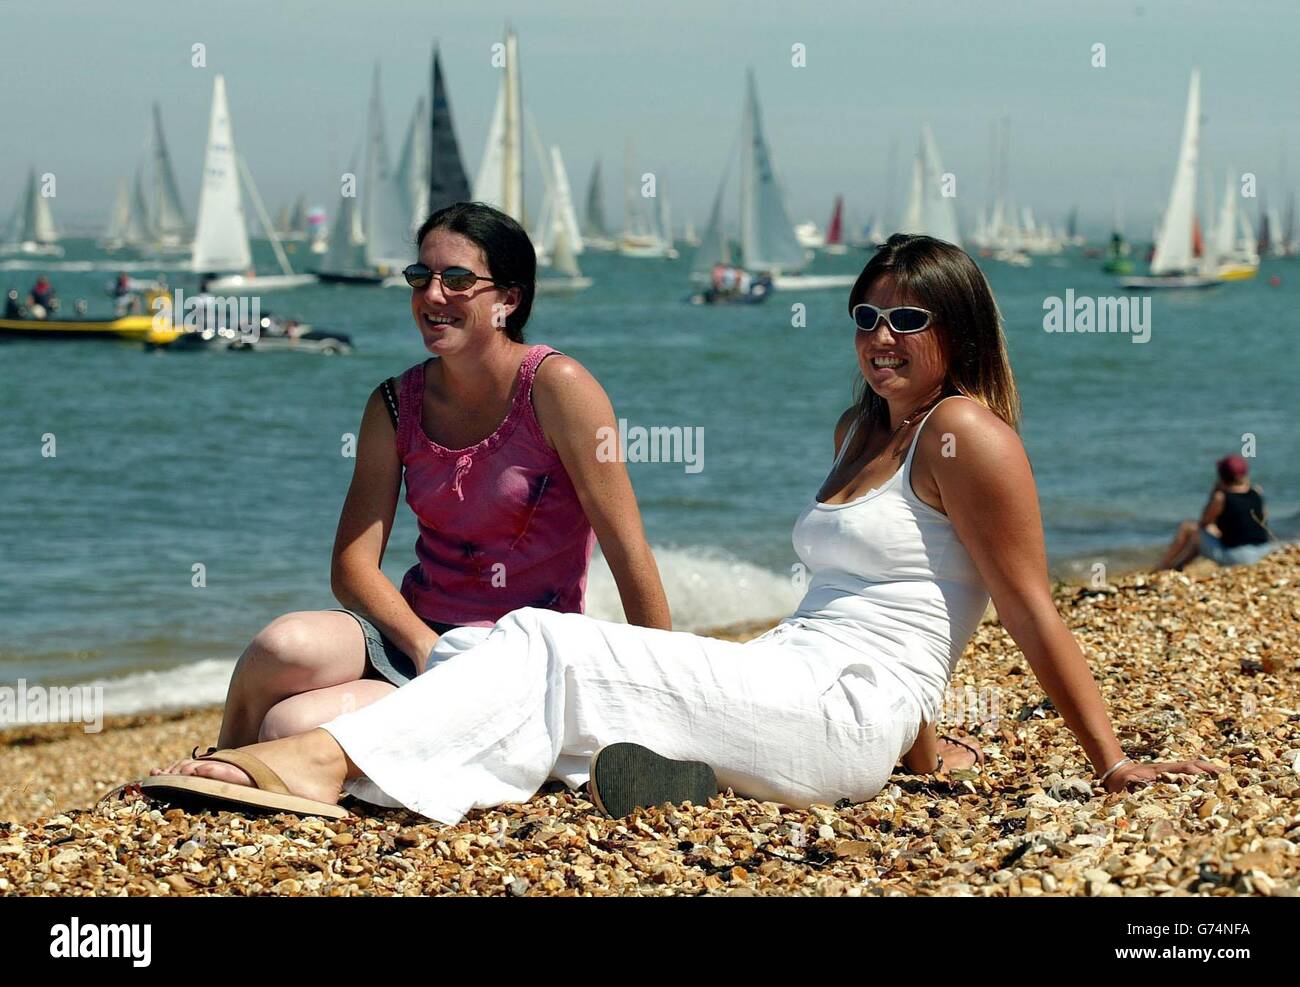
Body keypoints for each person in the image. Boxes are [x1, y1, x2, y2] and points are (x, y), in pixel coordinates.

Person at [145, 234, 1222, 823]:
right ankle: (308, 749)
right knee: (484, 654)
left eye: (907, 318)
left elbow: (1020, 607)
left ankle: (325, 765)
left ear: (958, 330)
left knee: (544, 642)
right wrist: (925, 748)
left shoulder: (965, 436)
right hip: (803, 687)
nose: (879, 337)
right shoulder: (865, 430)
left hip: (837, 717)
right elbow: (890, 604)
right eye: (864, 315)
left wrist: (1112, 761)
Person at [197, 201, 670, 757]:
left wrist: (663, 696)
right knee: (280, 647)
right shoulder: (395, 403)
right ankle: (214, 767)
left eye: (458, 279)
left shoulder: (558, 387)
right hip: (415, 633)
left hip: (517, 654)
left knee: (291, 726)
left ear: (508, 300)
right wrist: (424, 647)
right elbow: (352, 567)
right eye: (421, 277)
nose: (432, 295)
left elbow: (626, 546)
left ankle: (256, 767)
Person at [1157, 454, 1277, 570]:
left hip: (1239, 556)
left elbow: (1204, 522)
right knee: (1199, 541)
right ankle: (1177, 568)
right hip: (1263, 551)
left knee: (1188, 528)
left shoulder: (1221, 497)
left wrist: (1214, 491)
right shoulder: (1257, 491)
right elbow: (1263, 519)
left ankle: (1163, 566)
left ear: (1221, 476)